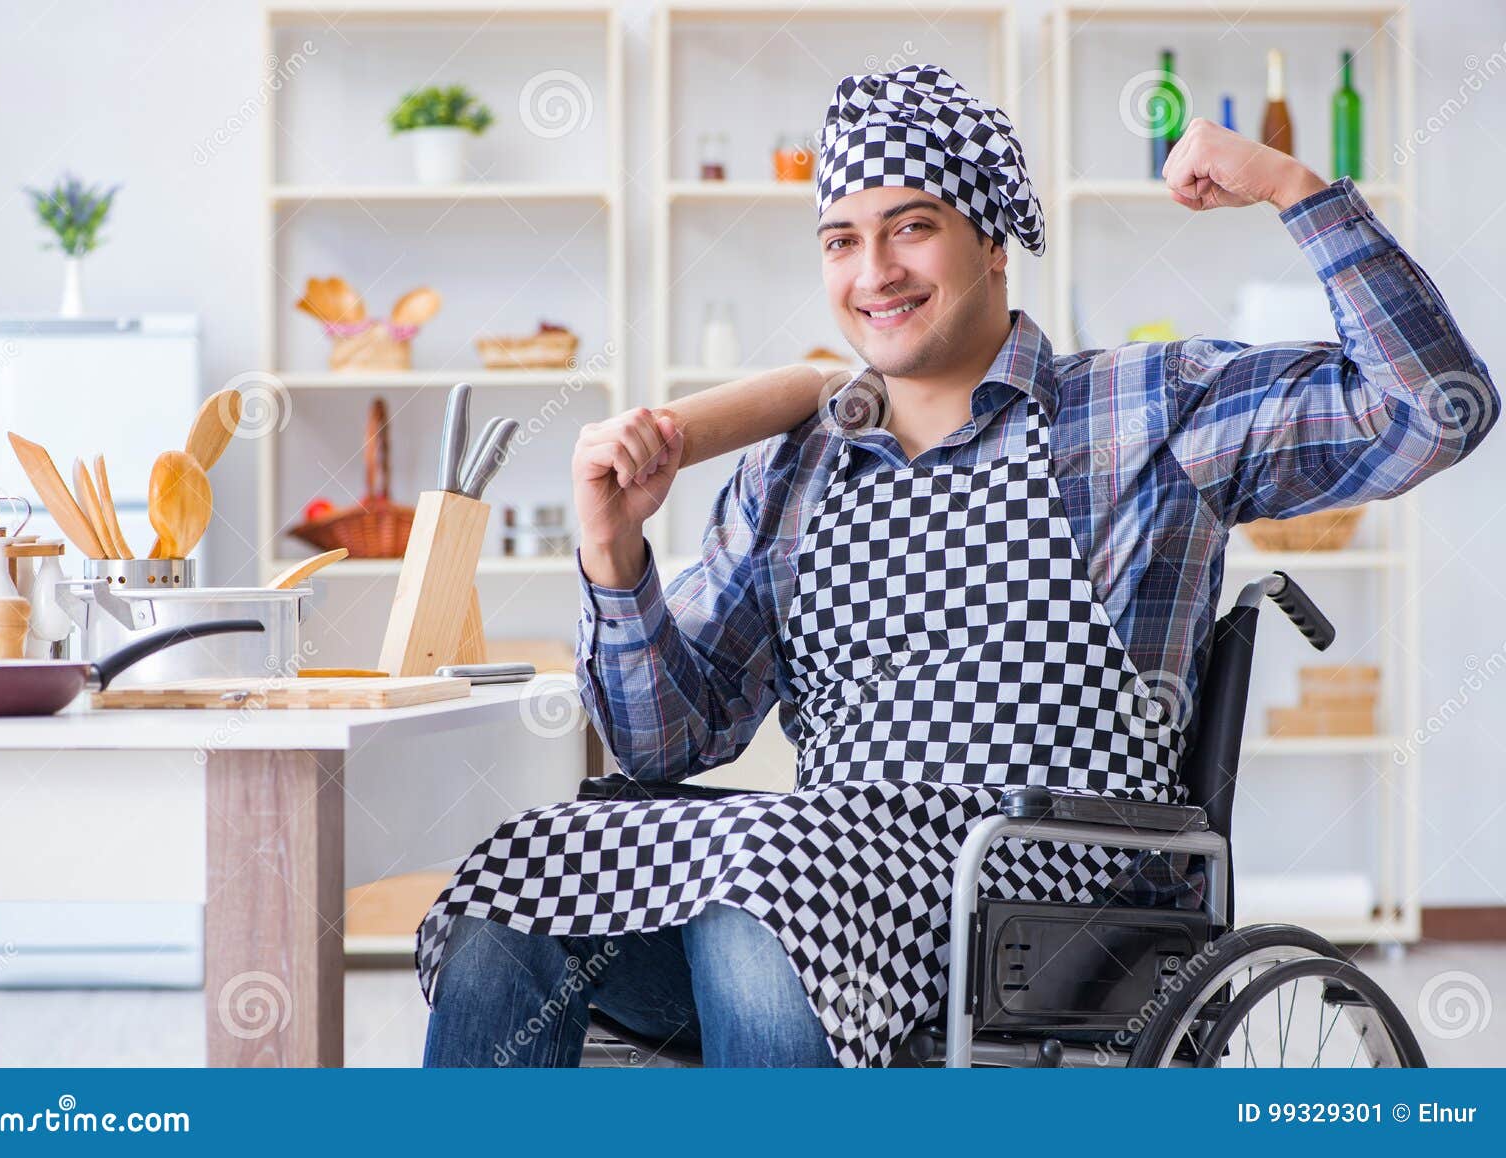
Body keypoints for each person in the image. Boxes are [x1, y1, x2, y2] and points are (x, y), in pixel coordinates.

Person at [418, 63, 1494, 1068]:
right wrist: (614, 561)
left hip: (1060, 893)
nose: (873, 272)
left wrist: (1291, 188)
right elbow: (670, 741)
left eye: (911, 229)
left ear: (992, 244)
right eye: (840, 241)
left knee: (759, 892)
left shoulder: (1144, 410)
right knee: (522, 884)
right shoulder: (789, 469)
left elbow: (1432, 411)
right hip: (824, 881)